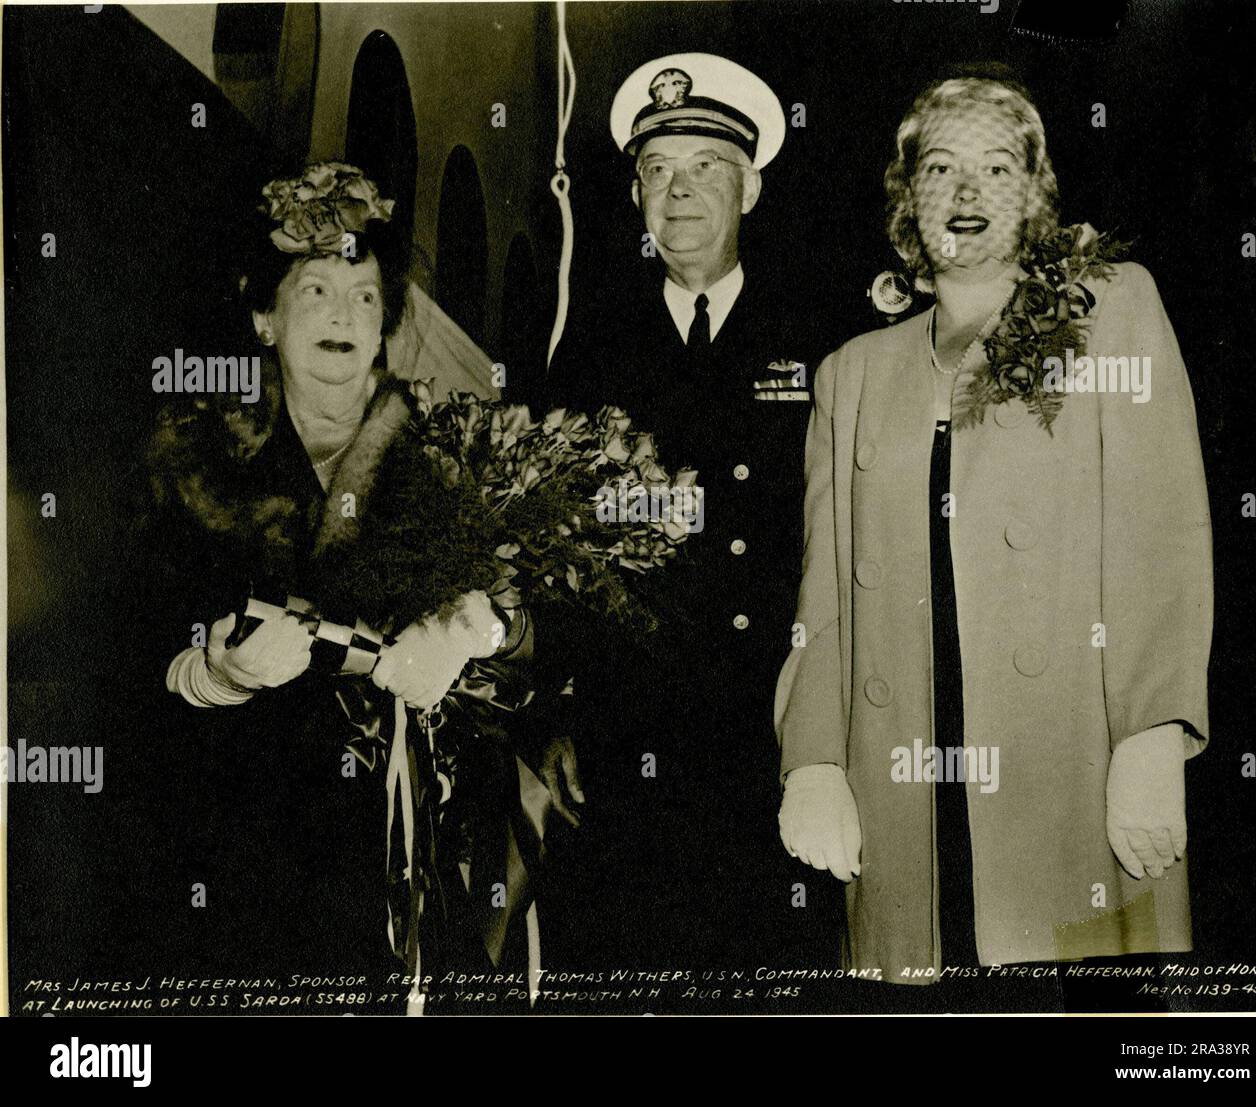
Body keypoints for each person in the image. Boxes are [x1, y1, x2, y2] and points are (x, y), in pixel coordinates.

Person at [775, 74, 1214, 984]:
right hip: (902, 802)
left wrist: (1152, 735)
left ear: (1034, 194)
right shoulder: (849, 373)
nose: (967, 194)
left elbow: (1160, 534)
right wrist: (811, 760)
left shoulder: (1110, 310)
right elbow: (822, 593)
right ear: (908, 200)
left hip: (1075, 779)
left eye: (996, 167)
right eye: (940, 168)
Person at [141, 162, 571, 1000]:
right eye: (316, 291)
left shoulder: (455, 456)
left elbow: (534, 639)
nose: (343, 314)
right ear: (265, 317)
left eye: (365, 296)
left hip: (422, 880)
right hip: (240, 869)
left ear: (386, 326)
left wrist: (471, 626)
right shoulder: (191, 460)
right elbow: (138, 641)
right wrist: (215, 672)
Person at [547, 54, 841, 969]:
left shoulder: (821, 340)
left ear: (749, 189)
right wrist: (554, 711)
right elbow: (554, 542)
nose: (678, 194)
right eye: (657, 172)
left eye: (704, 170)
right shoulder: (589, 350)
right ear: (636, 195)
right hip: (625, 733)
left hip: (771, 729)